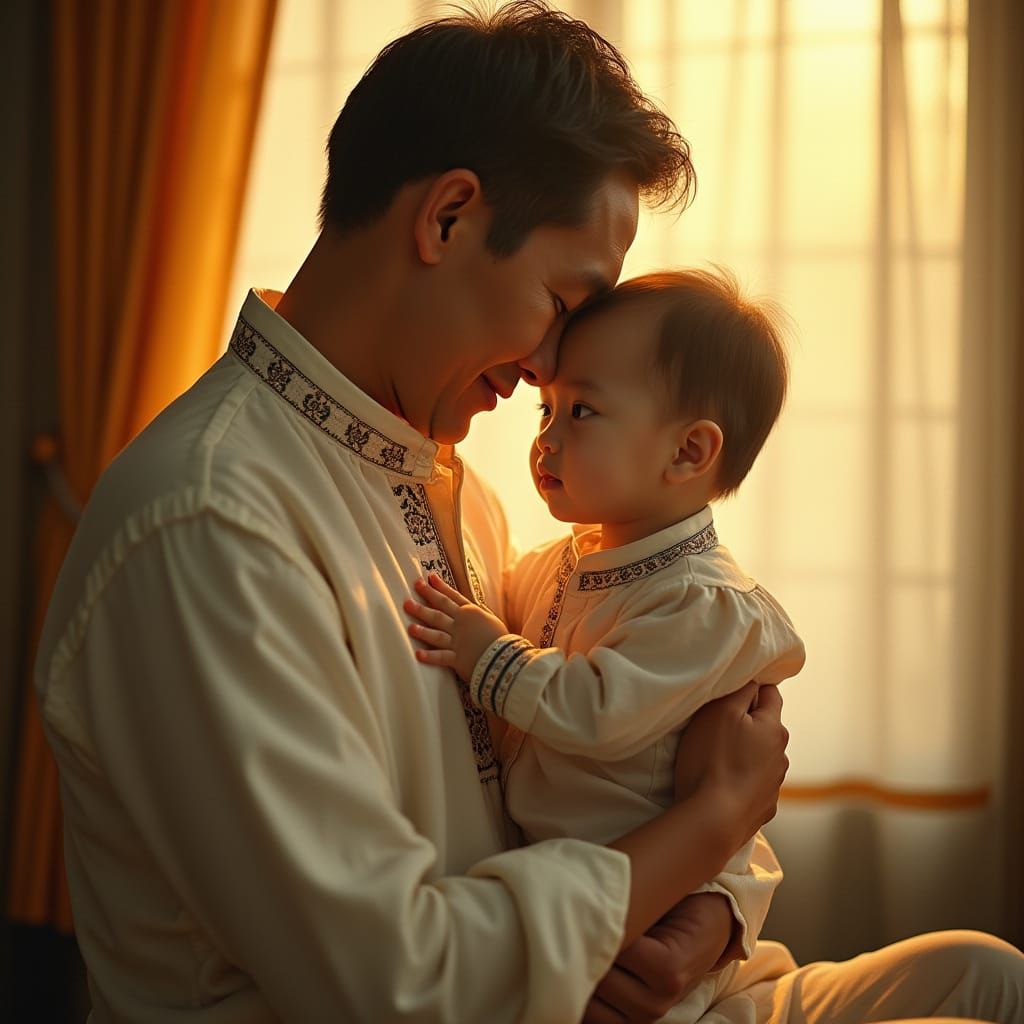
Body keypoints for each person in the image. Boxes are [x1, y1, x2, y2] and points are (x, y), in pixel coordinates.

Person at [32, 3, 1024, 1022]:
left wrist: (710, 912)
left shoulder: (467, 501)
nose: (551, 368)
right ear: (447, 217)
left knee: (989, 975)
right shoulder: (208, 525)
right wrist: (714, 818)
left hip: (611, 988)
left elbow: (611, 775)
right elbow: (397, 984)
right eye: (561, 302)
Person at [404, 267, 807, 1023]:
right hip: (580, 909)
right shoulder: (576, 559)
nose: (545, 441)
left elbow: (597, 709)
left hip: (654, 922)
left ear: (689, 452)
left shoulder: (703, 604)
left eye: (581, 410)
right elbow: (516, 605)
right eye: (545, 410)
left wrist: (485, 651)